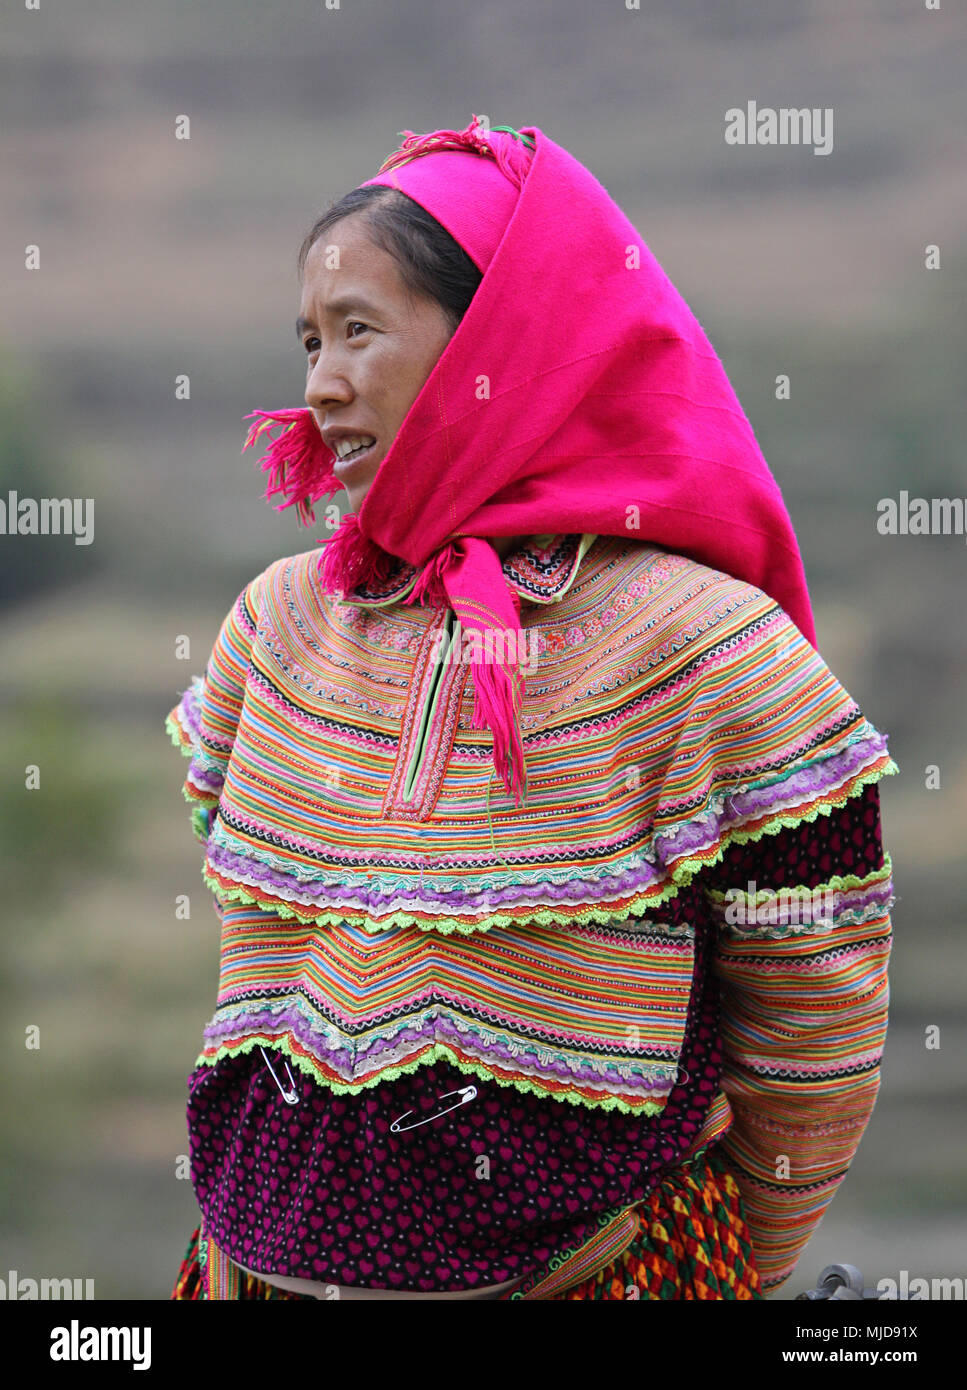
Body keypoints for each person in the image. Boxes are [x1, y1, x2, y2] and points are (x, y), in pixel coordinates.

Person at [167, 116, 898, 1301]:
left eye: (359, 330)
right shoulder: (282, 624)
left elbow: (815, 1022)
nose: (319, 385)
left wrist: (710, 1265)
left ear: (496, 340)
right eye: (307, 339)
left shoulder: (704, 649)